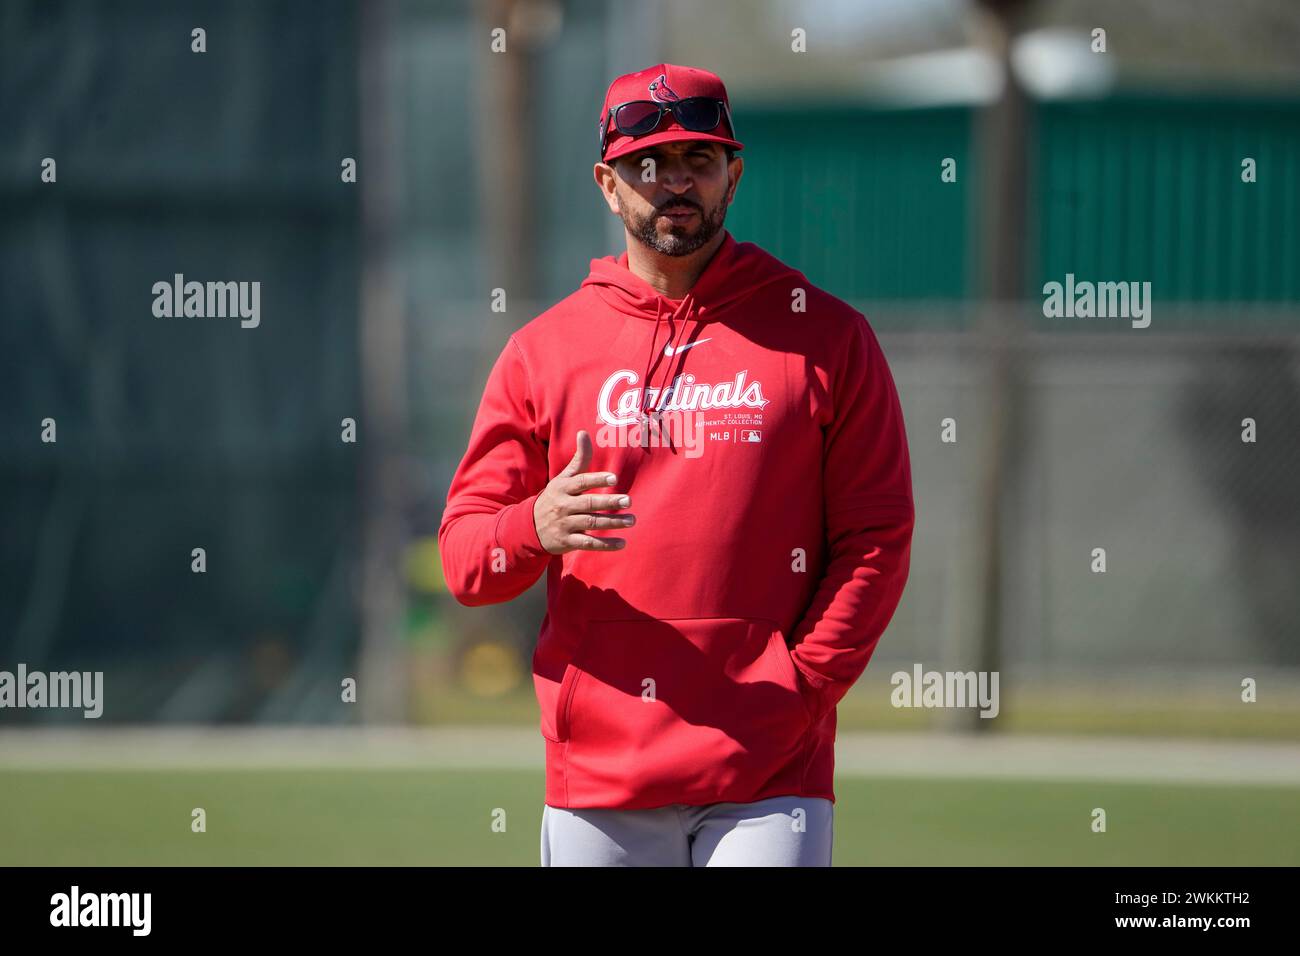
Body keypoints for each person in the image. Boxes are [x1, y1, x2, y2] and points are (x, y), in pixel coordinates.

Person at [439, 63, 915, 866]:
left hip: (772, 771)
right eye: (646, 165)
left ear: (735, 172)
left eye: (698, 159)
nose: (674, 182)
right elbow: (464, 559)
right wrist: (535, 525)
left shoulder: (826, 337)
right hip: (600, 775)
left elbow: (876, 537)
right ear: (607, 183)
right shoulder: (542, 353)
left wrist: (799, 691)